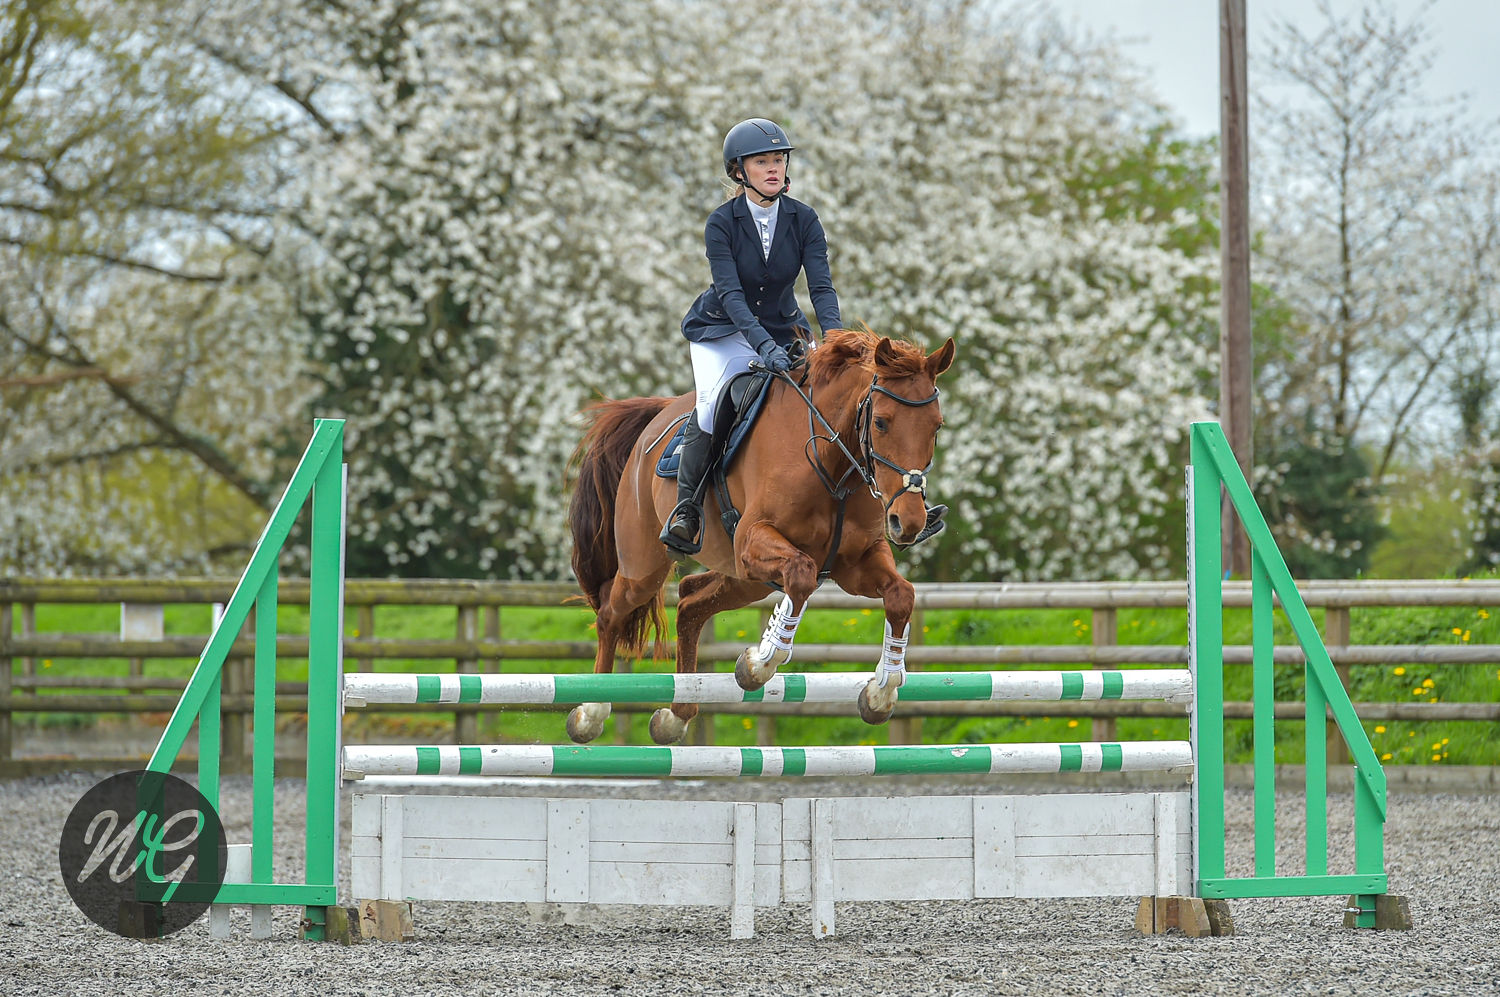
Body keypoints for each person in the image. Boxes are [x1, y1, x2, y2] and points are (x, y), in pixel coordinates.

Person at [660, 117, 944, 553]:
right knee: (712, 406)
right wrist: (763, 346)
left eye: (778, 160)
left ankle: (897, 501)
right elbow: (731, 294)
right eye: (762, 162)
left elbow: (821, 287)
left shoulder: (803, 218)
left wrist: (834, 341)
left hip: (784, 328)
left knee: (846, 396)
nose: (773, 168)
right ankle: (688, 510)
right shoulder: (722, 223)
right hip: (722, 331)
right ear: (739, 170)